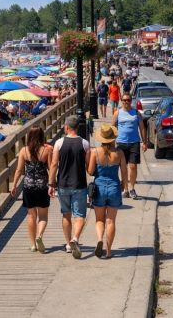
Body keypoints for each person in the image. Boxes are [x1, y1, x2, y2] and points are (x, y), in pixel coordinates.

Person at [48, 115, 91, 259]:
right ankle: (75, 239)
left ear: (66, 127)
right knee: (79, 216)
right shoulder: (85, 144)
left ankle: (68, 244)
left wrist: (51, 183)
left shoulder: (59, 143)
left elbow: (54, 164)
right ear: (77, 128)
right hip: (79, 183)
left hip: (63, 184)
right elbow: (89, 167)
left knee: (66, 214)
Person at [88, 124, 128, 259]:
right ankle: (109, 251)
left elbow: (90, 171)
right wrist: (125, 186)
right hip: (114, 187)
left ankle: (99, 239)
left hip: (99, 188)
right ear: (112, 139)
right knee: (111, 221)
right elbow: (124, 171)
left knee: (99, 219)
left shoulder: (95, 152)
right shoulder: (119, 153)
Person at [12, 126, 52, 253]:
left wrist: (14, 185)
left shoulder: (24, 150)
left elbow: (19, 170)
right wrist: (52, 184)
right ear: (41, 136)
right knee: (43, 216)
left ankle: (33, 244)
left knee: (31, 215)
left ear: (29, 136)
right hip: (42, 186)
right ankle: (39, 236)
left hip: (28, 186)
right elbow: (51, 169)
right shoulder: (47, 150)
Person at [112, 93, 146, 199]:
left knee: (133, 166)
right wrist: (111, 144)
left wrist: (144, 142)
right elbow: (112, 128)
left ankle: (132, 188)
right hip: (121, 143)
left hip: (134, 143)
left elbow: (142, 128)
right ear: (121, 101)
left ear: (131, 101)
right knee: (123, 168)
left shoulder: (136, 113)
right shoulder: (117, 113)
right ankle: (125, 189)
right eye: (124, 100)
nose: (126, 102)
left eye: (128, 100)